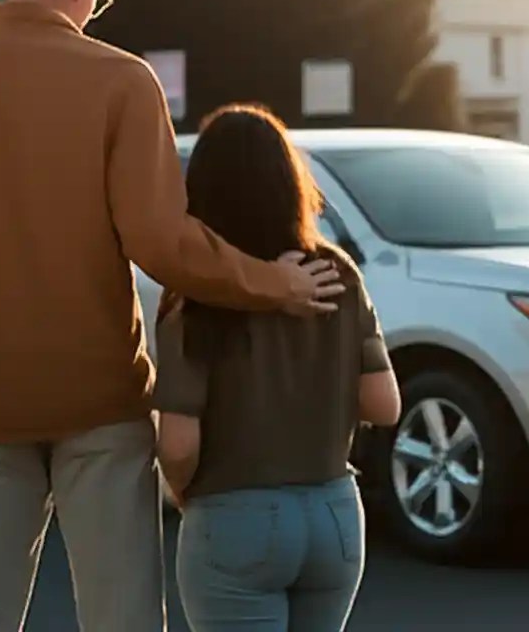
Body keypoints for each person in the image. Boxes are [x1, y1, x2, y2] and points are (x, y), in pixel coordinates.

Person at [0, 0, 343, 630]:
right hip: (96, 398)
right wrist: (273, 283)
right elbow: (162, 243)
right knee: (120, 612)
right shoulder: (120, 80)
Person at [154, 105, 402, 632]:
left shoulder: (195, 292)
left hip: (235, 515)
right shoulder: (336, 272)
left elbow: (177, 443)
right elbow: (384, 404)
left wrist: (185, 496)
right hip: (334, 513)